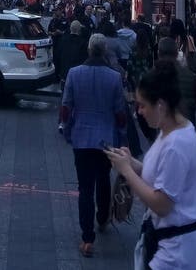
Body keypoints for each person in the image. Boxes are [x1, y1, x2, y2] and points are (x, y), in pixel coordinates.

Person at [105, 60, 196, 270]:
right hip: (179, 243)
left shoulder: (176, 144)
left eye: (143, 105)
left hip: (180, 251)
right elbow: (161, 175)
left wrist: (127, 171)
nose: (139, 111)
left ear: (161, 105)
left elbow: (162, 204)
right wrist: (132, 164)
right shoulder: (172, 131)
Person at [60, 34, 127, 258]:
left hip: (82, 136)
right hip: (106, 137)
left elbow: (66, 106)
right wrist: (122, 136)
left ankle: (87, 238)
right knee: (103, 178)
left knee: (85, 187)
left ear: (89, 49)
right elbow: (119, 112)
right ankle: (102, 218)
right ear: (104, 50)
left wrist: (65, 128)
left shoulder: (74, 73)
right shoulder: (114, 77)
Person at [157, 37, 196, 144]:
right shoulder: (190, 77)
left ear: (159, 54)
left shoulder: (152, 77)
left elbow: (141, 108)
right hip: (186, 130)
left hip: (163, 132)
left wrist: (150, 134)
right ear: (177, 54)